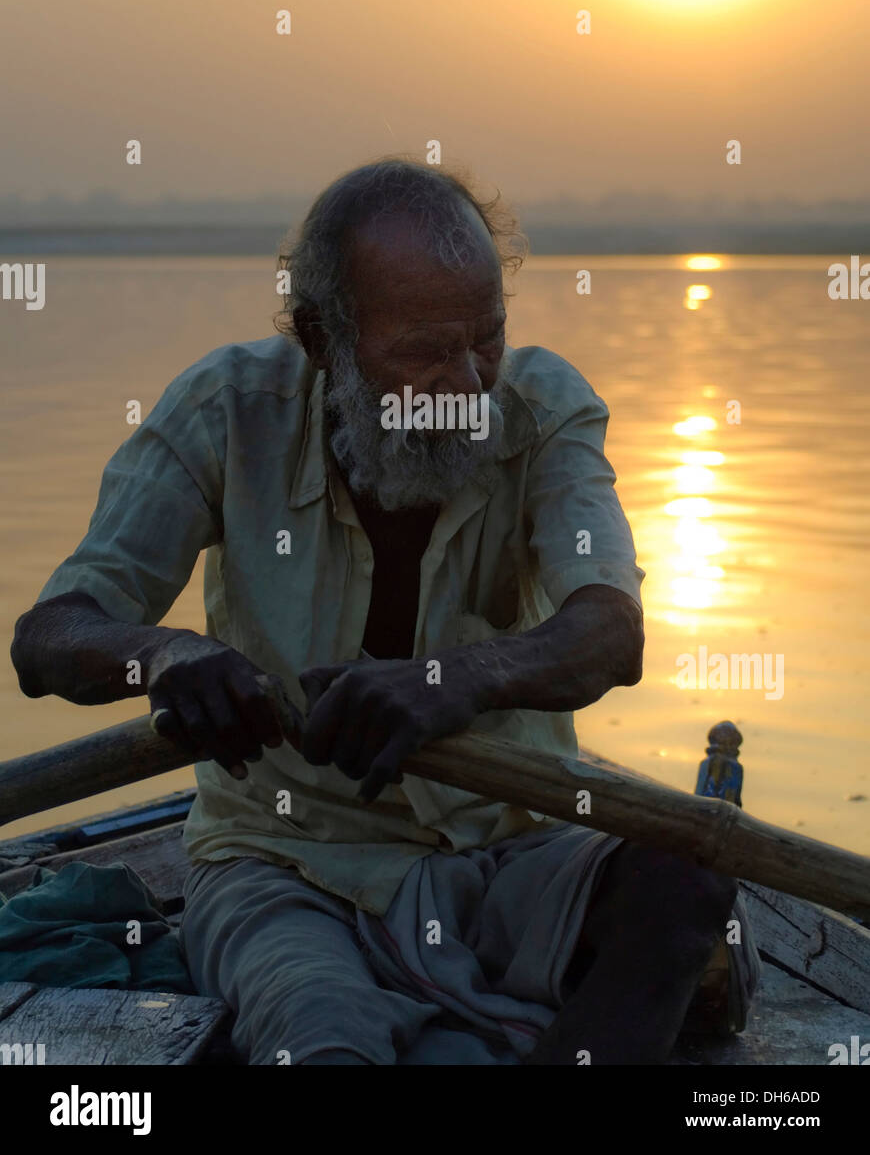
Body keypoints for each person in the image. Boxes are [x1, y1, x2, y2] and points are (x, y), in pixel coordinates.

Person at [11, 157, 750, 1065]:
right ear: (323, 338)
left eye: (487, 338)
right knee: (325, 1041)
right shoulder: (227, 411)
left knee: (684, 889)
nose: (470, 383)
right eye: (426, 353)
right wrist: (164, 657)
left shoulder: (542, 408)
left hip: (508, 851)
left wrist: (463, 679)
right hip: (287, 864)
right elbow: (50, 636)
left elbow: (610, 631)